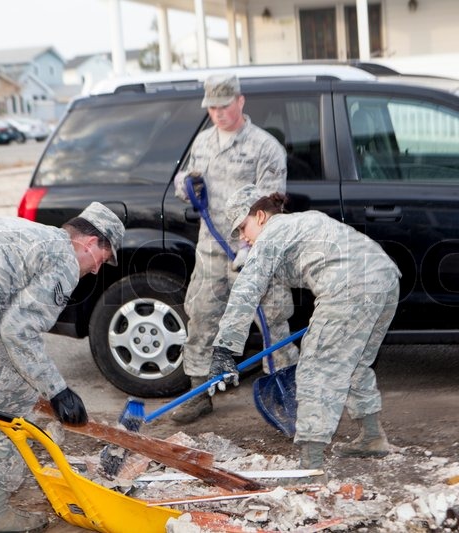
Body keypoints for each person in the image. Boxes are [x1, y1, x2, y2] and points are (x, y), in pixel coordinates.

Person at [0, 202, 124, 532]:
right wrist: (56, 389)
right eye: (101, 260)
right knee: (17, 407)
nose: (95, 270)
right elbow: (19, 330)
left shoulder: (28, 233)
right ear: (90, 243)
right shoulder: (63, 259)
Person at [208, 185, 401, 471]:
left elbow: (246, 290)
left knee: (316, 369)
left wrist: (224, 348)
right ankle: (372, 438)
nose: (243, 238)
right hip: (386, 279)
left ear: (260, 216)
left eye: (243, 227)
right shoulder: (301, 222)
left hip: (350, 289)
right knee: (355, 364)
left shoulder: (272, 233)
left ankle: (310, 467)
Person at [171, 73, 298, 423]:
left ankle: (285, 392)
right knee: (202, 317)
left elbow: (271, 204)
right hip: (212, 248)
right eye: (212, 108)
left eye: (224, 106)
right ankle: (198, 393)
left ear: (240, 101)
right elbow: (187, 180)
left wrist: (249, 245)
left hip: (256, 249)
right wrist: (186, 183)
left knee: (272, 319)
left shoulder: (264, 146)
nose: (218, 114)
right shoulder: (203, 143)